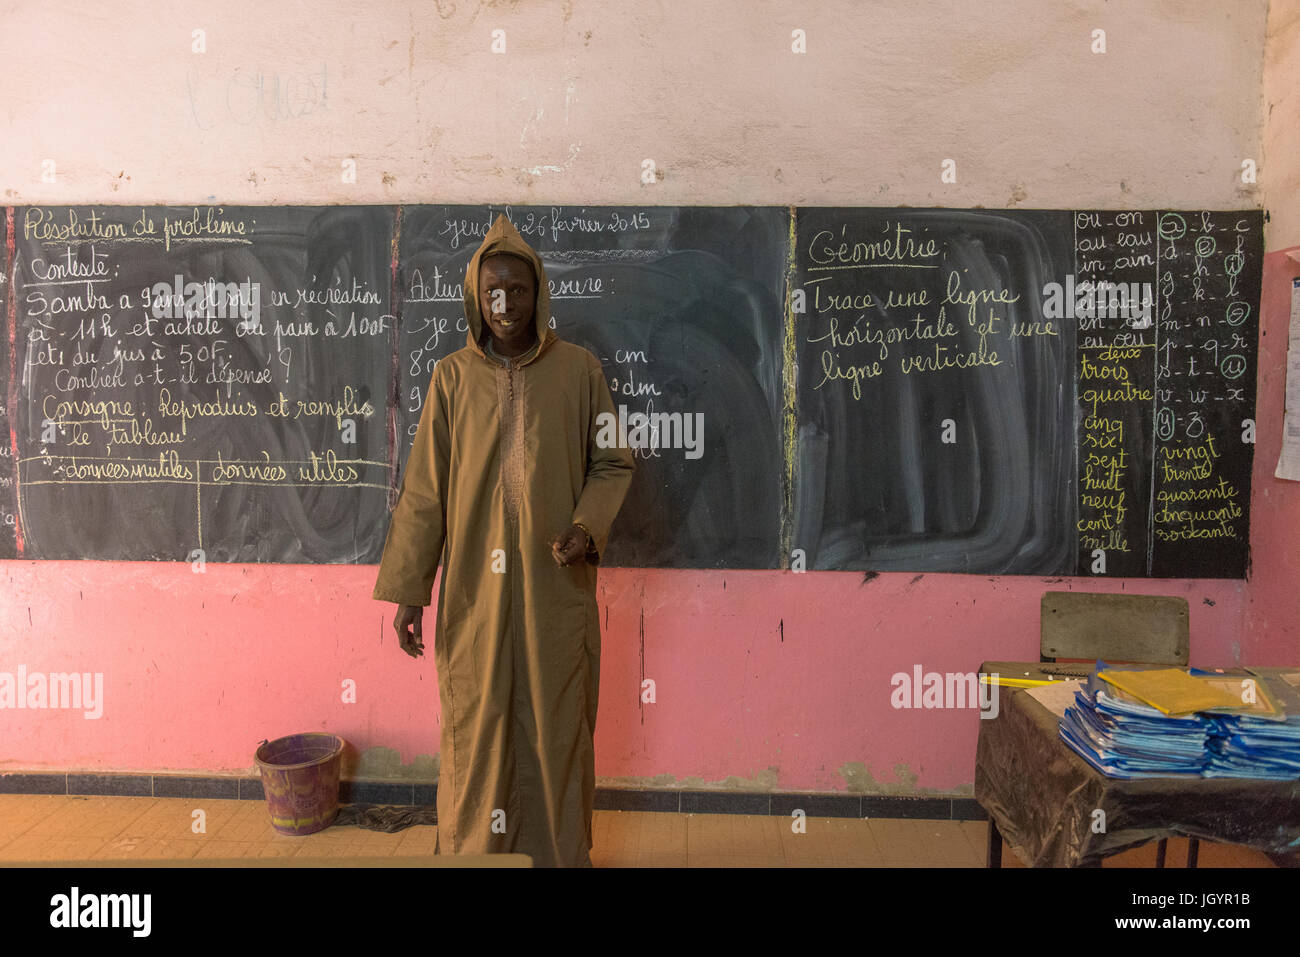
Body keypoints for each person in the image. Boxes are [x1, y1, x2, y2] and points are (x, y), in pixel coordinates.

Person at [371, 213, 635, 867]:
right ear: (473, 297)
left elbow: (612, 461)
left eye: (517, 290)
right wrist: (411, 591)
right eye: (492, 291)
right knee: (479, 726)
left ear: (538, 294)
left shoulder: (578, 372)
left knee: (556, 722)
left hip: (556, 590)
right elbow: (426, 491)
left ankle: (561, 852)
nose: (505, 304)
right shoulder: (453, 379)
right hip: (474, 595)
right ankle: (472, 851)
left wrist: (586, 526)